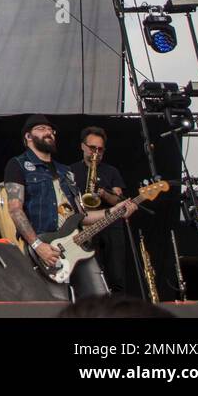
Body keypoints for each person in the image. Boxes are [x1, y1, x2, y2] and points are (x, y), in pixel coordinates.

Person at [2, 115, 133, 300]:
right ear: (28, 137)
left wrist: (114, 210)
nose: (48, 132)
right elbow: (15, 209)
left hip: (77, 243)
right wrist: (38, 245)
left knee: (100, 302)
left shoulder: (65, 171)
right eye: (41, 128)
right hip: (46, 246)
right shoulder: (18, 165)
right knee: (58, 305)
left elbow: (81, 216)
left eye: (51, 130)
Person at [70, 126, 129, 294]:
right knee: (87, 274)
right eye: (92, 148)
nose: (96, 152)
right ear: (82, 146)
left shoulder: (111, 171)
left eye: (100, 149)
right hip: (84, 226)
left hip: (111, 226)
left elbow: (119, 200)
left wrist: (102, 192)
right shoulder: (70, 171)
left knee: (116, 275)